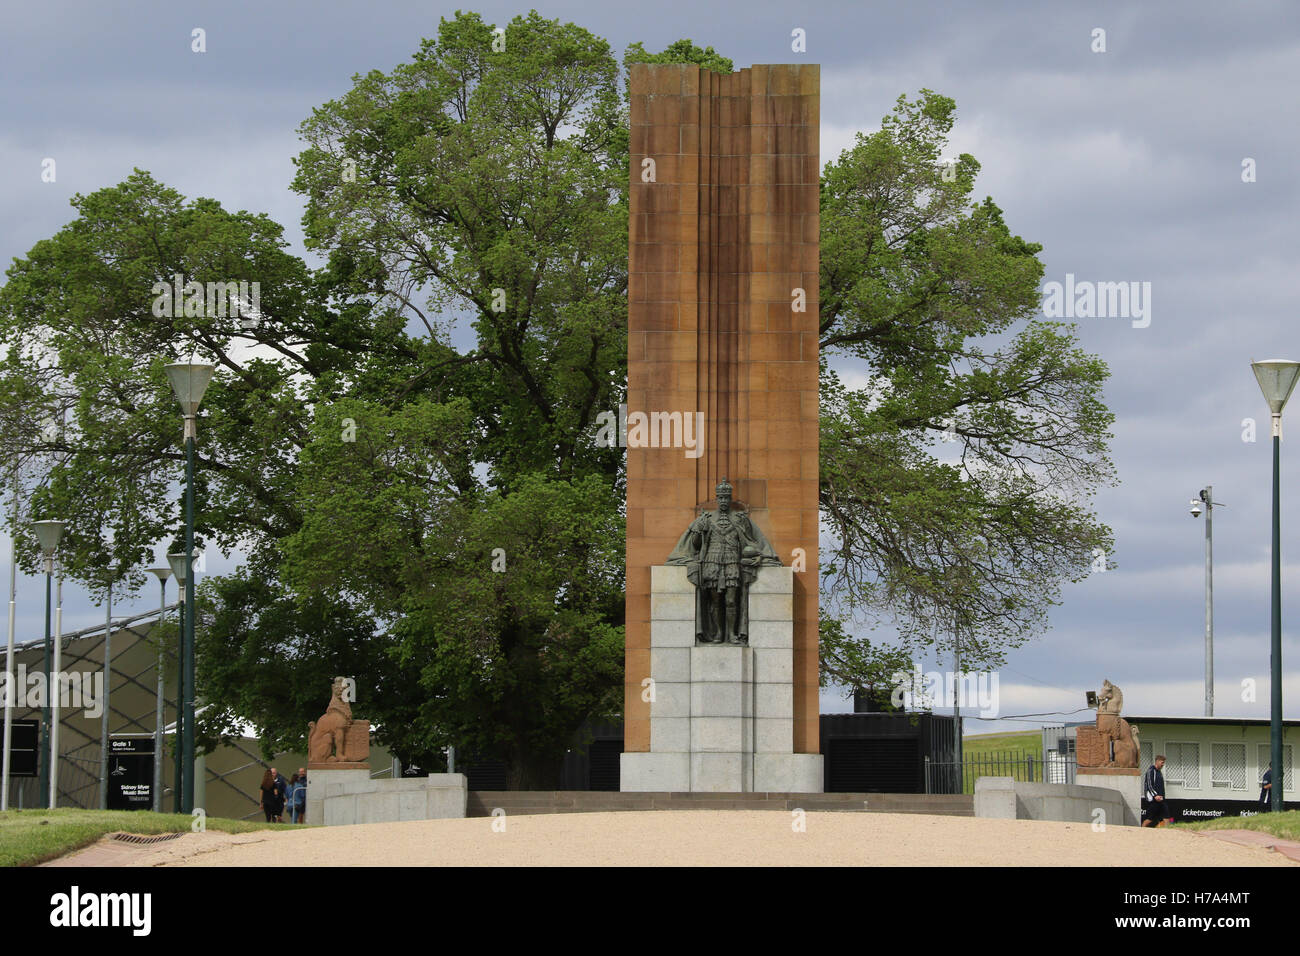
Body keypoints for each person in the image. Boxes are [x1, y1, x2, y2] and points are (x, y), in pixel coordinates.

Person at [1142, 754, 1172, 827]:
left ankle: (1168, 832)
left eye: (1164, 762)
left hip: (1161, 799)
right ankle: (1141, 830)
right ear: (1157, 761)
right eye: (1162, 762)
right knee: (1149, 819)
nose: (1163, 764)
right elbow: (1149, 785)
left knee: (1166, 816)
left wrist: (1162, 797)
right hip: (1154, 800)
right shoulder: (1151, 771)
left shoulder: (1159, 772)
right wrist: (1155, 796)